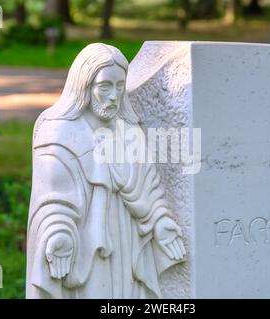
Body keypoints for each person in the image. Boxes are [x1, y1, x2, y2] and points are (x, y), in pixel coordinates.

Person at [26, 43, 186, 298]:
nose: (114, 95)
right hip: (86, 248)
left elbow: (149, 189)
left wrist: (160, 221)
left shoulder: (129, 132)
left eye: (120, 87)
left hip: (127, 242)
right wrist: (58, 234)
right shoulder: (59, 133)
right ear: (85, 86)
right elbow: (53, 200)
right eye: (105, 87)